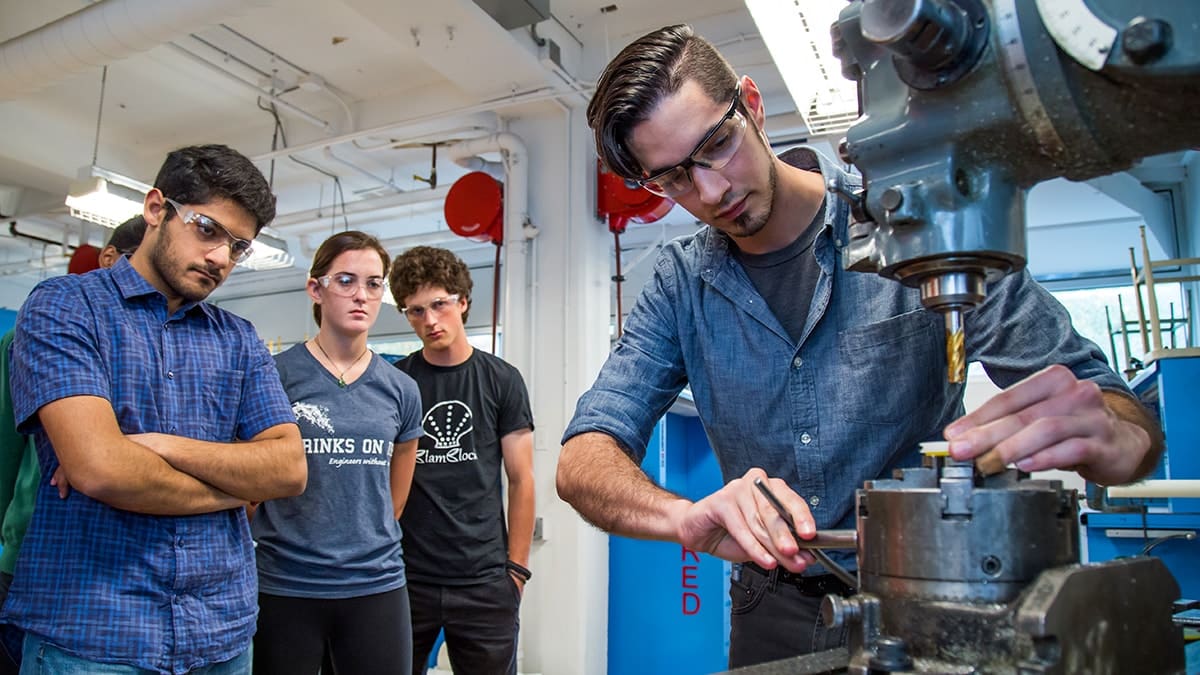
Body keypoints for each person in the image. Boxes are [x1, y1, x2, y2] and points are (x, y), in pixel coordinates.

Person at [555, 24, 1164, 669]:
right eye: (673, 178)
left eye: (717, 146)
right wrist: (685, 517)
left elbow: (1121, 415)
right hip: (773, 611)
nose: (710, 192)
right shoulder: (680, 284)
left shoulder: (915, 227)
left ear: (752, 105)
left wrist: (1117, 439)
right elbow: (581, 460)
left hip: (935, 602)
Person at [4, 144, 306, 673]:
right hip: (92, 633)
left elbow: (288, 469)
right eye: (207, 229)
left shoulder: (239, 339)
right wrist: (238, 486)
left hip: (221, 634)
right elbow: (102, 470)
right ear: (155, 209)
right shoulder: (64, 307)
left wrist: (158, 447)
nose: (220, 258)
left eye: (239, 248)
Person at [251, 230, 423, 674]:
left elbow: (395, 498)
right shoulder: (275, 375)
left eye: (372, 283)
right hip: (287, 584)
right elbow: (251, 480)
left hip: (375, 585)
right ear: (316, 288)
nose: (361, 295)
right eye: (345, 281)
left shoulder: (401, 388)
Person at [0, 215, 147, 673]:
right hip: (37, 545)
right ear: (109, 258)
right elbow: (5, 452)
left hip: (131, 554)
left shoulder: (159, 346)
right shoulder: (28, 336)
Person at [388, 245, 535, 675]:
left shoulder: (501, 379)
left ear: (462, 302)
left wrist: (517, 571)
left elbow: (522, 479)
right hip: (406, 576)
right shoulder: (399, 382)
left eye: (439, 305)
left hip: (485, 578)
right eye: (416, 311)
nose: (430, 321)